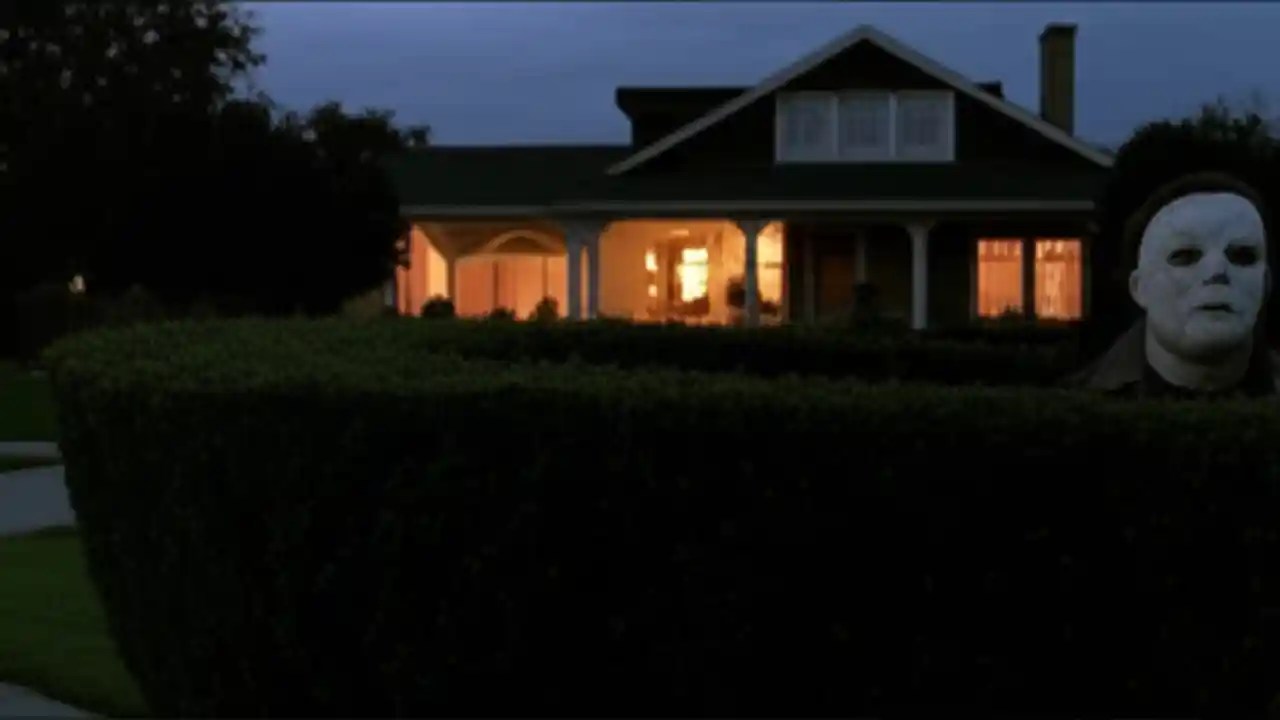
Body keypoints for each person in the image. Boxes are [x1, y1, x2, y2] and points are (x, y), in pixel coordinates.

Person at [1071, 172, 1280, 397]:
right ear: (1139, 287)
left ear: (1265, 282)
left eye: (1242, 256)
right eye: (1185, 256)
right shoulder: (1069, 410)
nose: (1217, 272)